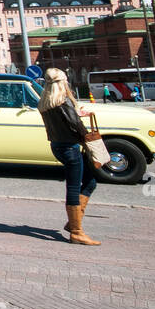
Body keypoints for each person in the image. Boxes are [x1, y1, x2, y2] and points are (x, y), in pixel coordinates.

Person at [38, 68, 100, 246]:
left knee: (90, 182)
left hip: (57, 146)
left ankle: (74, 221)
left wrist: (75, 113)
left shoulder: (44, 103)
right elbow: (76, 125)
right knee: (74, 187)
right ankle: (76, 231)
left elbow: (65, 120)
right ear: (62, 82)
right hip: (70, 147)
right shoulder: (63, 102)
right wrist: (86, 138)